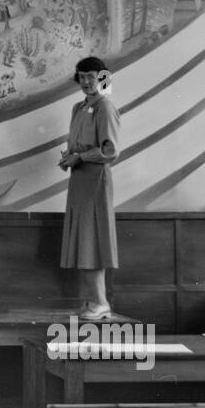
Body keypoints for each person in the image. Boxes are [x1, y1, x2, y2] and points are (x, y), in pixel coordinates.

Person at [58, 56, 120, 320]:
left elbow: (111, 150)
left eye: (91, 77)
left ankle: (101, 302)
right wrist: (68, 157)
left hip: (95, 182)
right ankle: (92, 301)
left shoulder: (105, 106)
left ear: (102, 78)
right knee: (82, 242)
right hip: (79, 182)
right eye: (81, 77)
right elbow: (77, 145)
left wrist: (80, 158)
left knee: (92, 241)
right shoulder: (78, 108)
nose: (85, 82)